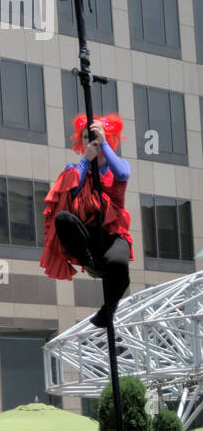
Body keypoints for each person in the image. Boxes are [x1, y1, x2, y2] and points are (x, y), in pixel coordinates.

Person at [41, 116, 133, 328]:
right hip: (89, 237)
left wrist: (104, 144)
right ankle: (90, 262)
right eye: (86, 138)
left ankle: (107, 311)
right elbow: (70, 190)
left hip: (112, 235)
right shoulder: (76, 168)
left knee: (119, 266)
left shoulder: (117, 168)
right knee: (63, 219)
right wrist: (86, 160)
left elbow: (122, 173)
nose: (91, 142)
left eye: (97, 138)